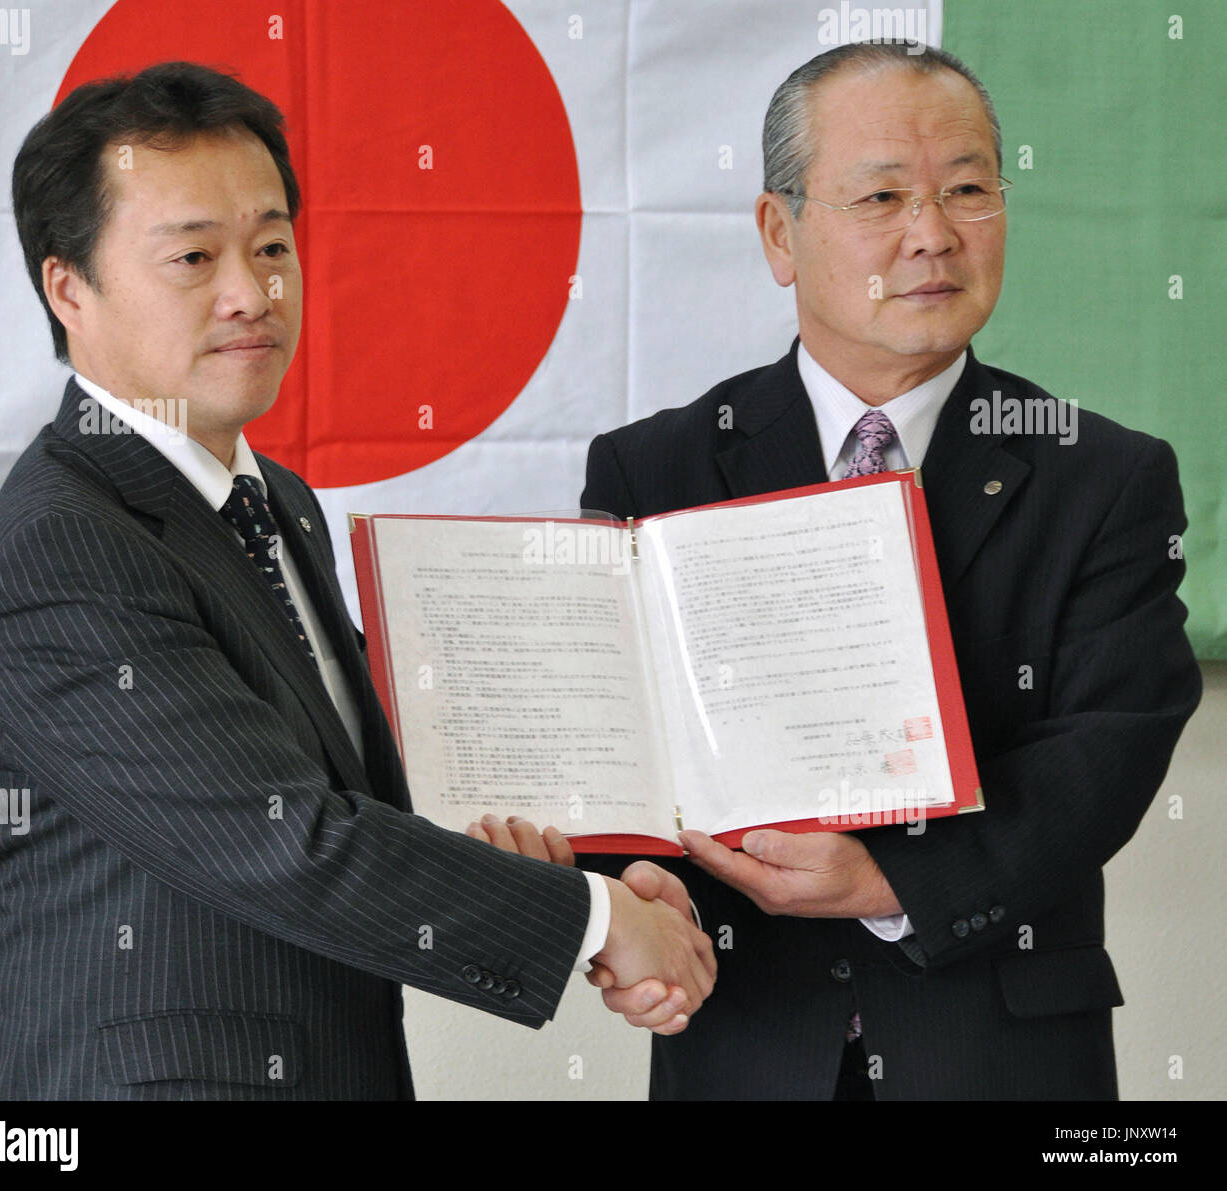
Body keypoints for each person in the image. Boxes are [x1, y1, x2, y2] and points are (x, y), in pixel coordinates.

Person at [0, 61, 714, 1101]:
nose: (250, 292)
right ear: (67, 288)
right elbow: (289, 845)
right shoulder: (60, 546)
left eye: (271, 247)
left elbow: (354, 806)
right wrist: (597, 925)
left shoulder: (279, 503)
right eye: (193, 256)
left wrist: (585, 879)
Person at [481, 42, 1201, 1099]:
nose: (933, 235)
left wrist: (894, 877)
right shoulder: (659, 467)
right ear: (780, 234)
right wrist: (634, 892)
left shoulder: (1101, 473)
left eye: (968, 190)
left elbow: (1109, 749)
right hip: (741, 1042)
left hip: (1002, 1053)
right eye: (881, 196)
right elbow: (620, 752)